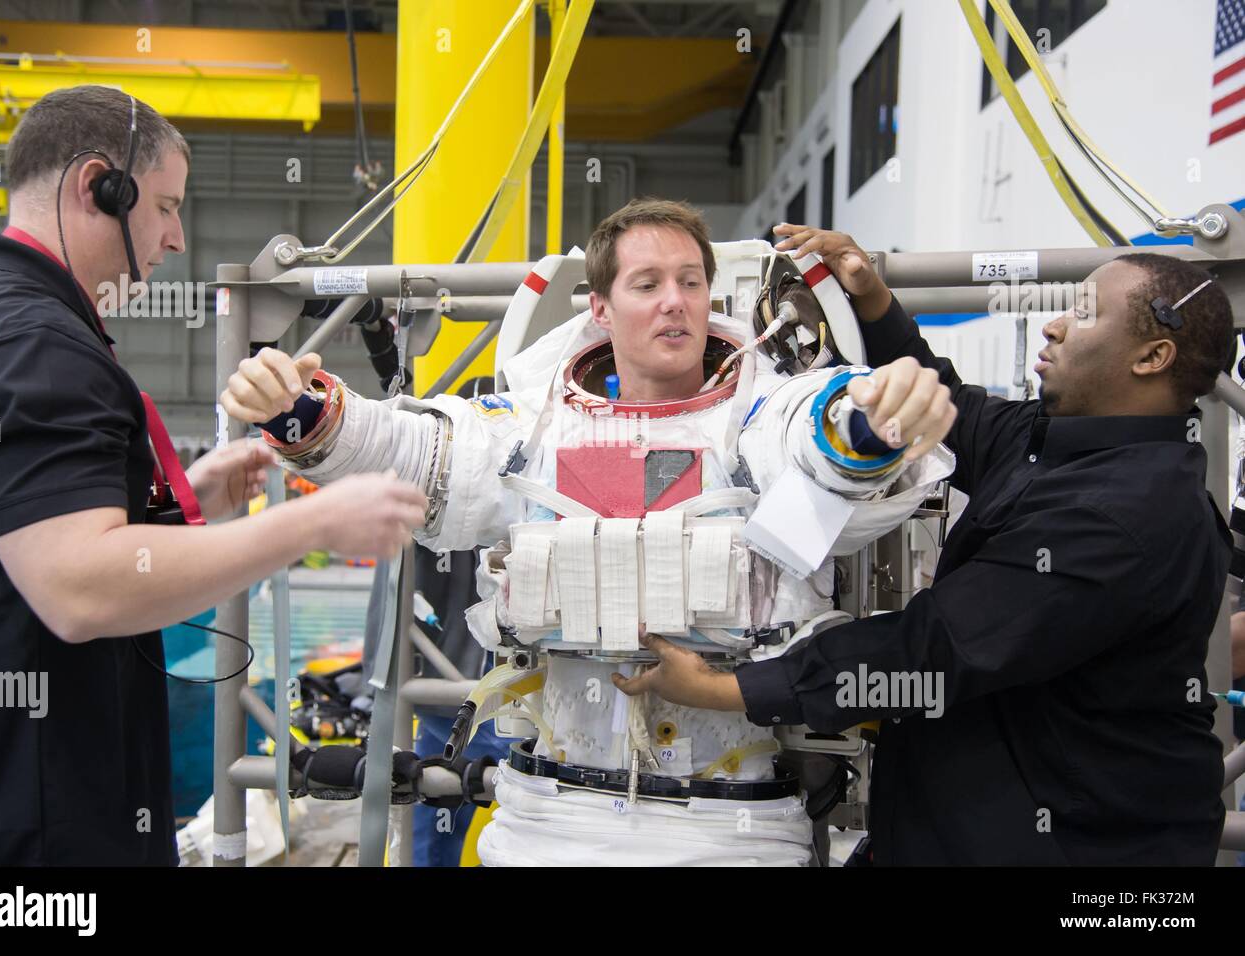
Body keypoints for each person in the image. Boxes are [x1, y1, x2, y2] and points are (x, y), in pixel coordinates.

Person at [221, 198, 957, 866]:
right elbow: (409, 446)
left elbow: (822, 443)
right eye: (647, 284)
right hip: (545, 823)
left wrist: (872, 421)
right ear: (600, 308)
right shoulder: (532, 429)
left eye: (691, 281)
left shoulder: (762, 415)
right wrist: (299, 411)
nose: (676, 302)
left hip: (729, 834)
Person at [618, 223, 1235, 865]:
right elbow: (950, 412)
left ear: (1151, 358)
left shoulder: (1125, 518)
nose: (1052, 326)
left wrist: (727, 688)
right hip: (963, 818)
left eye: (1083, 314)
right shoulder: (1057, 438)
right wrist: (870, 298)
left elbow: (932, 654)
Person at [0, 85, 427, 866]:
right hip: (38, 836)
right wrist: (306, 524)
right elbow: (78, 589)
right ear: (96, 185)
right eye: (165, 206)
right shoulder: (35, 346)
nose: (175, 238)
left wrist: (181, 497)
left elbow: (6, 534)